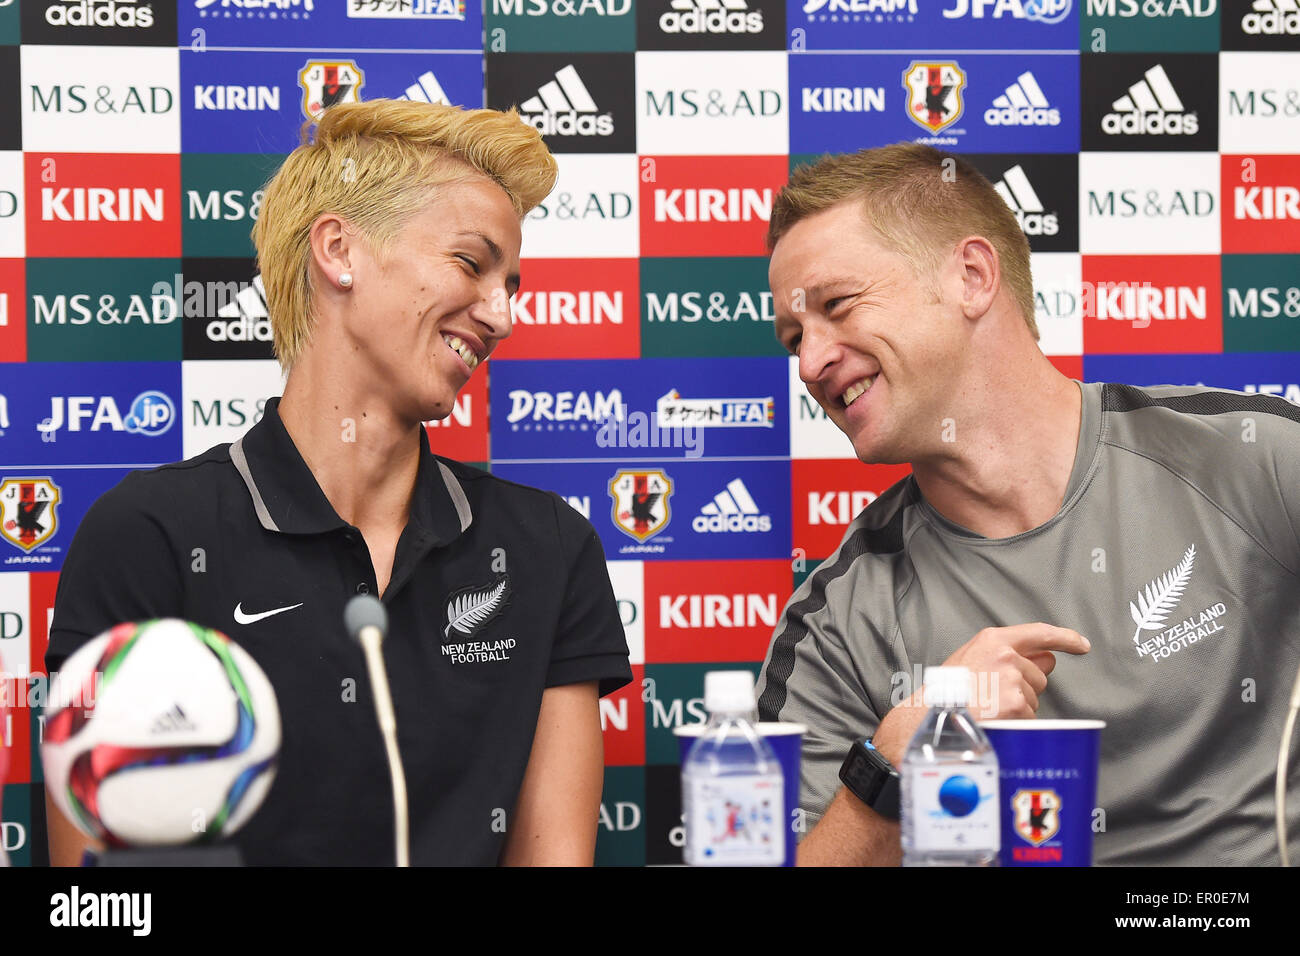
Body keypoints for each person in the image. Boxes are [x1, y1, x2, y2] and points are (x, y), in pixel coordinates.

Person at [44, 101, 632, 866]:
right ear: (339, 249)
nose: (502, 314)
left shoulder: (549, 546)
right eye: (470, 262)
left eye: (510, 281)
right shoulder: (151, 534)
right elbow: (106, 895)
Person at [756, 142, 1300, 866]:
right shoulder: (836, 623)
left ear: (972, 277)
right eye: (794, 337)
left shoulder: (1251, 457)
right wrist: (889, 770)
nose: (811, 362)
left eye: (836, 306)